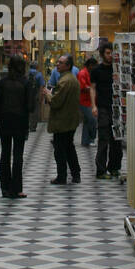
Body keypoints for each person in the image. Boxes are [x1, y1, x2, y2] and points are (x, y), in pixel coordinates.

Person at [0, 54, 37, 198]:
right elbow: (30, 106)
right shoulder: (25, 83)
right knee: (18, 155)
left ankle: (5, 188)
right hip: (20, 121)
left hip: (5, 121)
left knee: (5, 154)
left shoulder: (2, 82)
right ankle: (16, 188)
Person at [46, 53, 81, 184]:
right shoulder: (70, 79)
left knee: (60, 150)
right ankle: (76, 174)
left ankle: (62, 176)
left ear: (68, 66)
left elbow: (56, 102)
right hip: (69, 120)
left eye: (60, 63)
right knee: (69, 147)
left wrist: (48, 94)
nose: (57, 64)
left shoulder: (65, 81)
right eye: (58, 62)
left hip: (62, 121)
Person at [91, 42, 122, 179]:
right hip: (103, 107)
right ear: (103, 54)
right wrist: (94, 106)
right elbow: (92, 88)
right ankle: (101, 170)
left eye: (112, 53)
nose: (110, 56)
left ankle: (114, 167)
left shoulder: (117, 69)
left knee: (117, 140)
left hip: (116, 107)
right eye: (108, 53)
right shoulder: (97, 70)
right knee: (103, 139)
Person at [79, 55, 98, 147]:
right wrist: (93, 89)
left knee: (87, 121)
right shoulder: (83, 73)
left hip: (90, 101)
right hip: (84, 101)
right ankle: (91, 138)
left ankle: (85, 141)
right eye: (94, 66)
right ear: (90, 65)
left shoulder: (91, 73)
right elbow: (83, 87)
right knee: (92, 120)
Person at [27, 59, 45, 132]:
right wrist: (40, 97)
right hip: (36, 95)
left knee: (27, 110)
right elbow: (41, 86)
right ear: (37, 66)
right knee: (35, 111)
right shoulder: (39, 74)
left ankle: (27, 125)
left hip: (27, 94)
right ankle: (33, 127)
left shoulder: (26, 73)